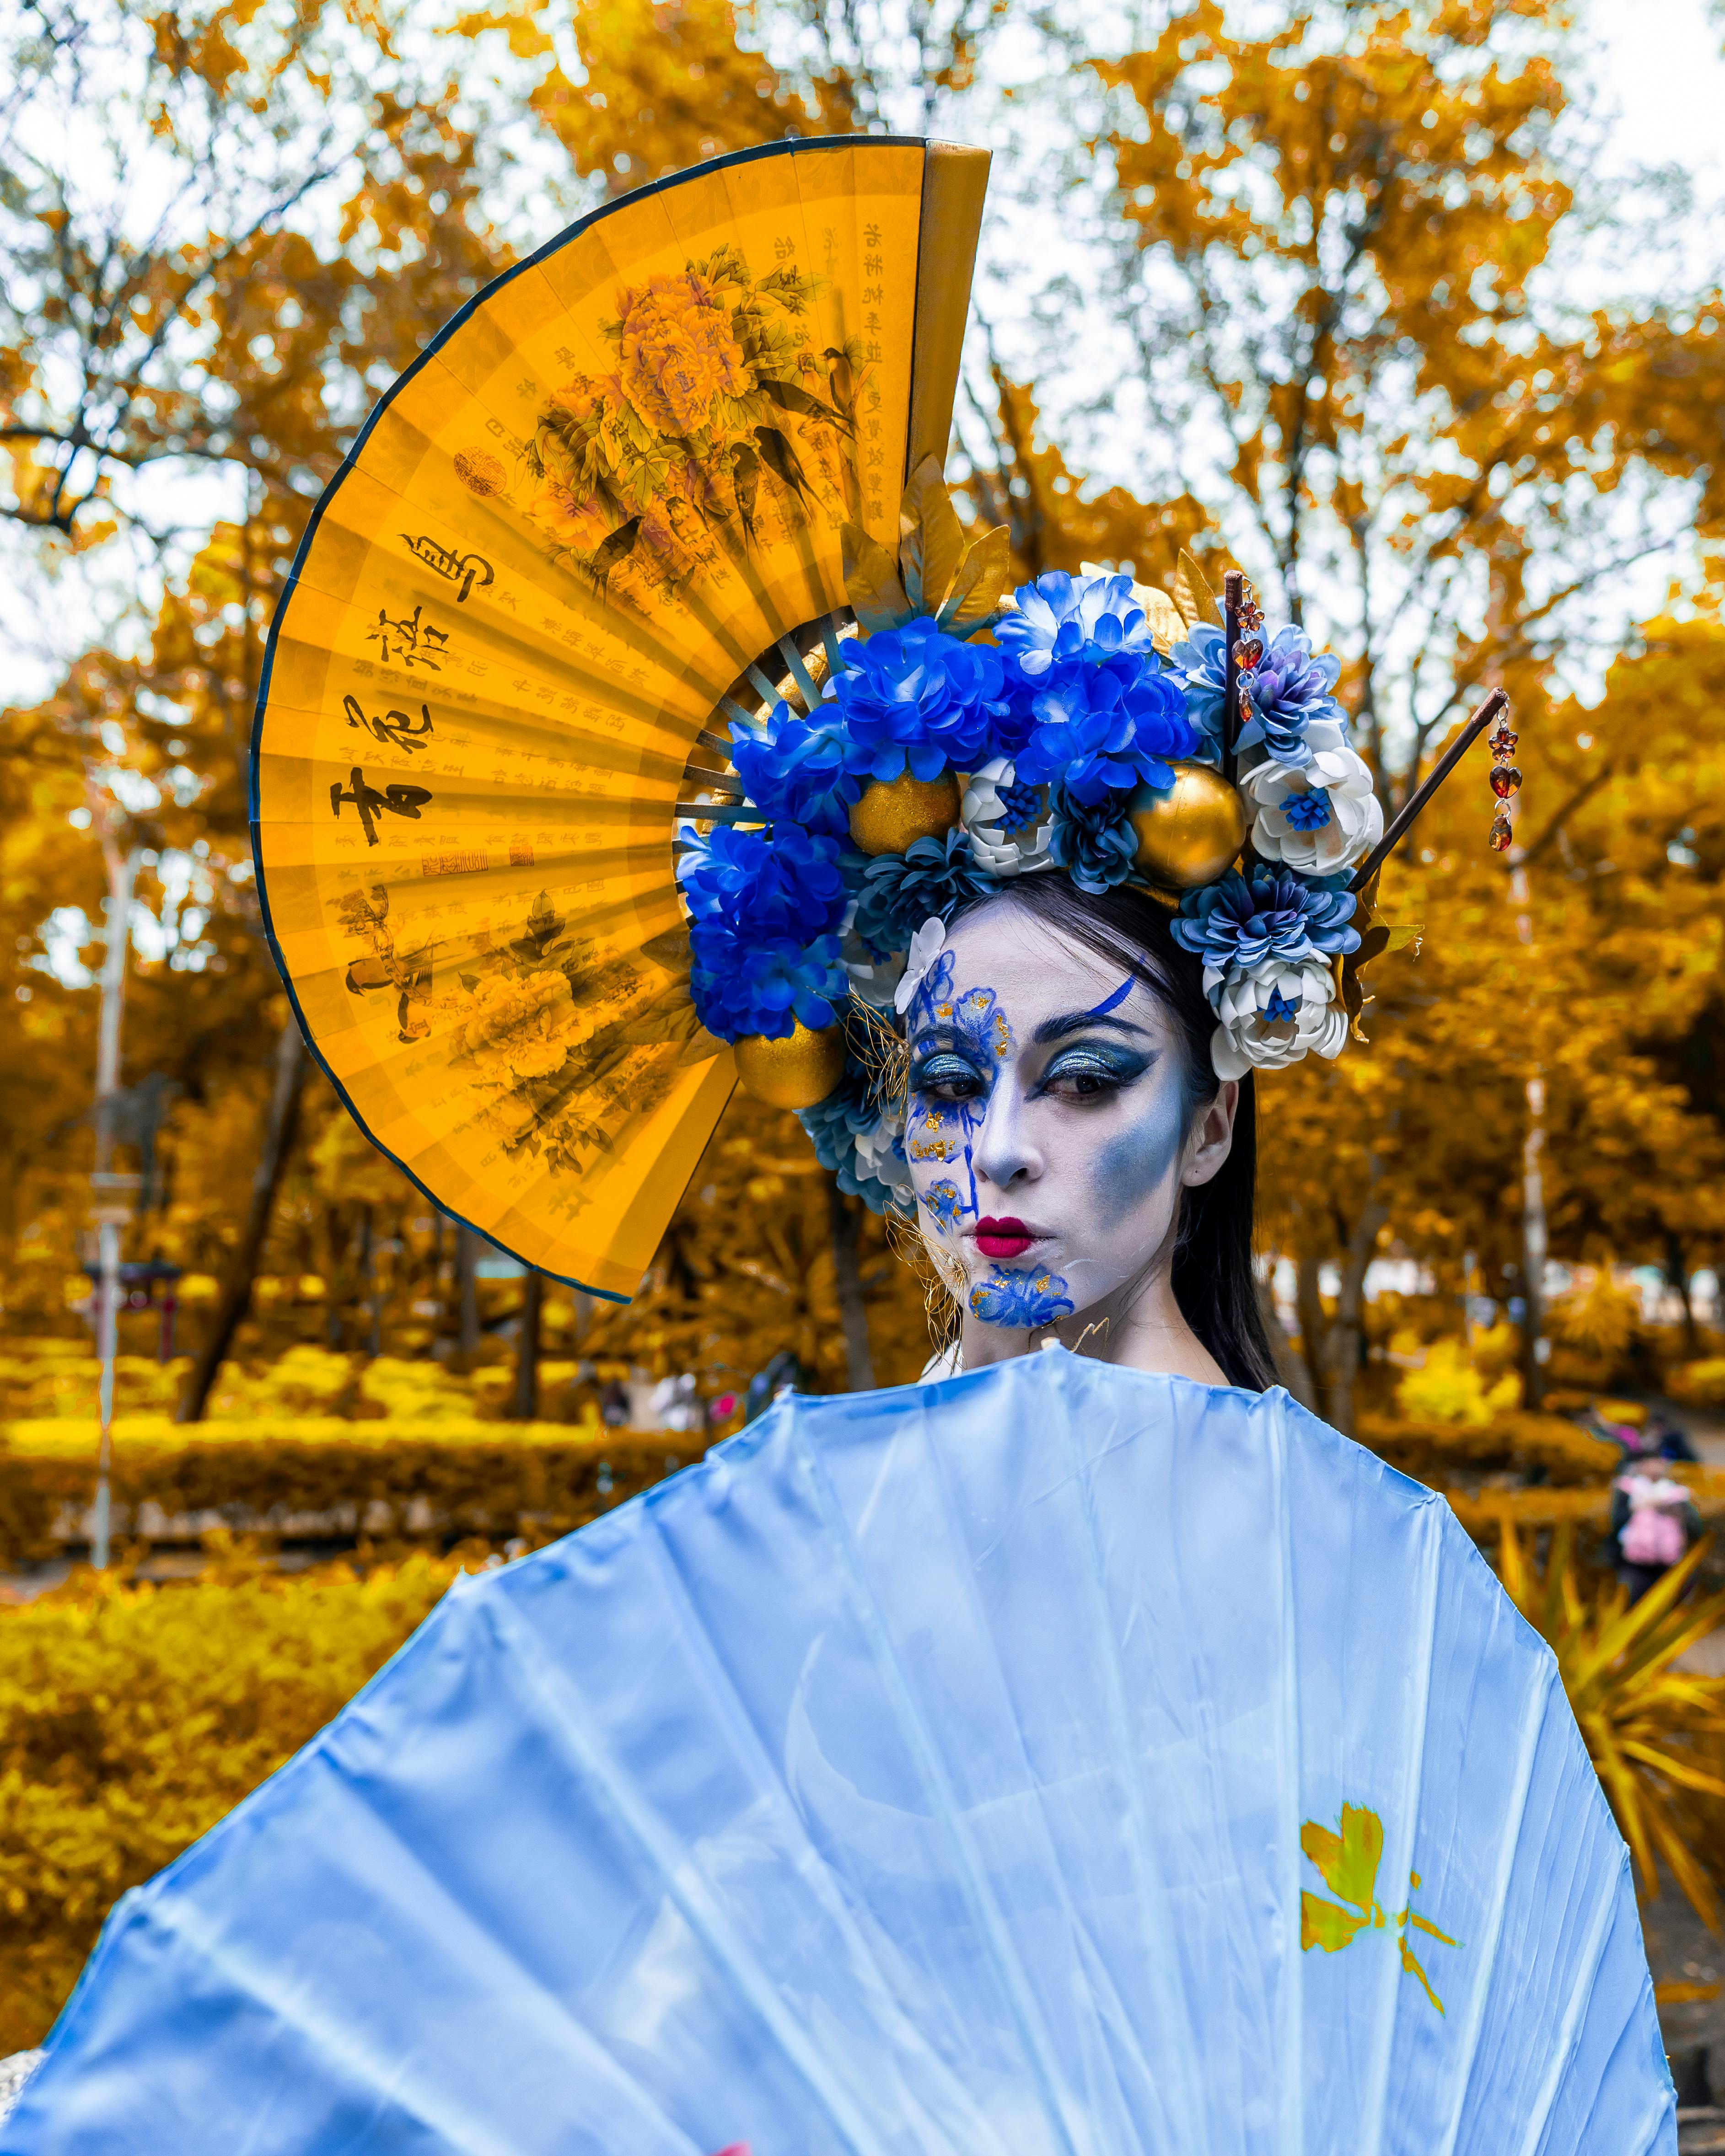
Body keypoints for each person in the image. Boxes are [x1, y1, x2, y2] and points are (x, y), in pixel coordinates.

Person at [3, 139, 1677, 2154]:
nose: (996, 1151)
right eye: (947, 1079)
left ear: (1215, 1111)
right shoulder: (812, 1543)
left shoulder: (1384, 1609)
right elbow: (690, 1978)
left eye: (1081, 1078)